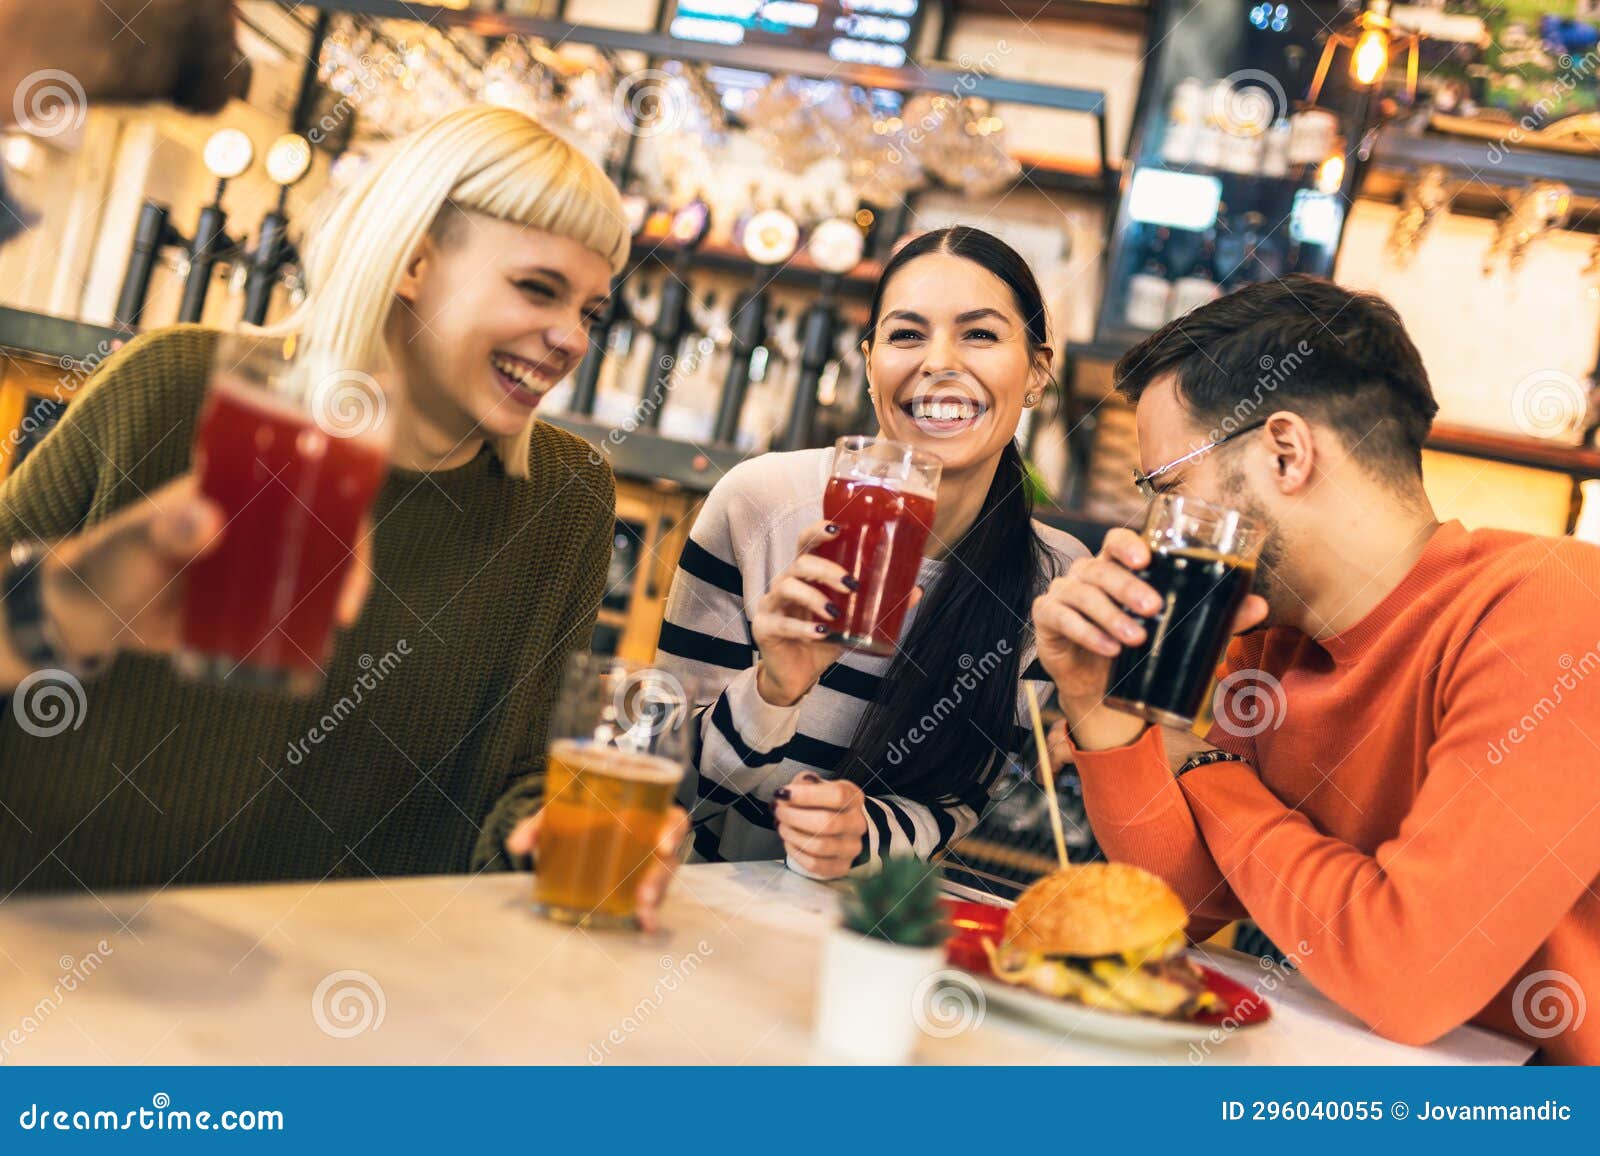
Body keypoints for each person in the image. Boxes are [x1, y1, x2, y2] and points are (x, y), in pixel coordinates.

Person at [0, 106, 682, 928]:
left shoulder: (564, 499)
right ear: (415, 262)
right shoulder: (180, 389)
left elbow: (513, 787)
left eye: (592, 312)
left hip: (342, 989)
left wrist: (553, 830)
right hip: (45, 942)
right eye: (538, 289)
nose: (572, 338)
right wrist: (75, 597)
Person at [1031, 274, 1600, 1064]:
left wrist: (1207, 767)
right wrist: (1100, 711)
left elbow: (1409, 976)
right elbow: (1184, 905)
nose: (1159, 528)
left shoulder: (1555, 606)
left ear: (1285, 452)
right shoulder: (1268, 637)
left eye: (1169, 489)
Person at [657, 226, 1086, 879]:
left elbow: (959, 796)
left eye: (979, 334)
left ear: (1036, 372)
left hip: (873, 923)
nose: (939, 361)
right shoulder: (761, 503)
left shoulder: (1053, 576)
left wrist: (864, 834)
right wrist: (775, 689)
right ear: (868, 365)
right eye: (907, 335)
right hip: (697, 905)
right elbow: (671, 779)